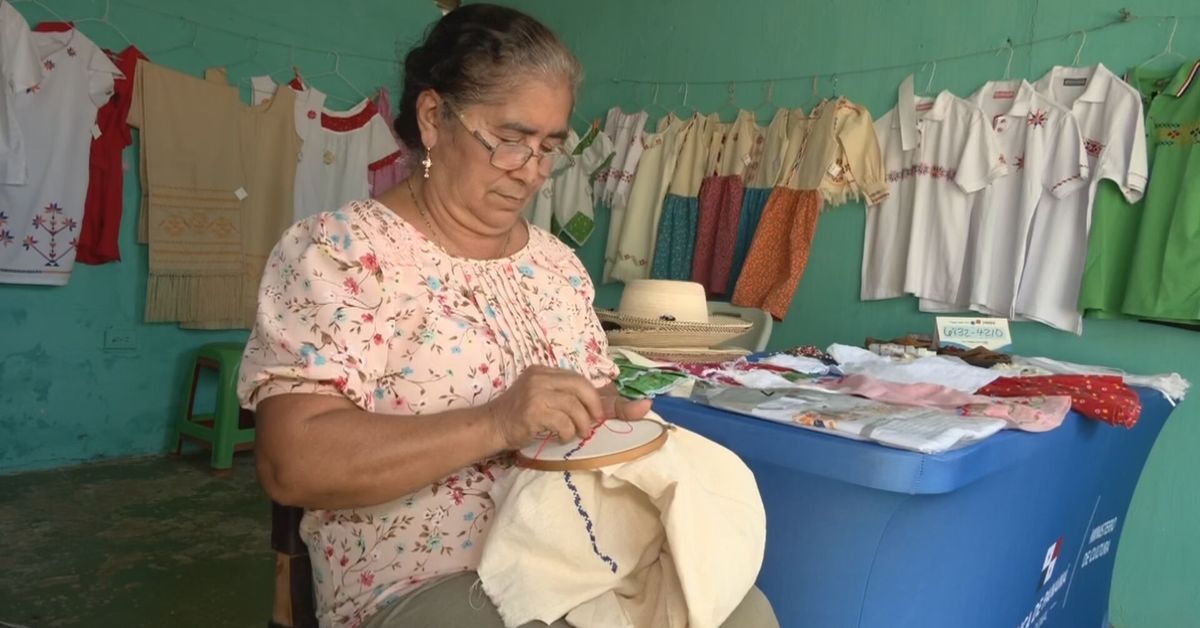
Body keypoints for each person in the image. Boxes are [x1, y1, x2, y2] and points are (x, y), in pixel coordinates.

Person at [238, 5, 779, 627]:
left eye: (549, 148)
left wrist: (604, 414)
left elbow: (579, 420)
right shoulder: (341, 253)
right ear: (434, 117)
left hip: (580, 552)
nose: (531, 173)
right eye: (510, 140)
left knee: (744, 611)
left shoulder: (557, 266)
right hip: (424, 577)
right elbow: (291, 462)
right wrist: (496, 422)